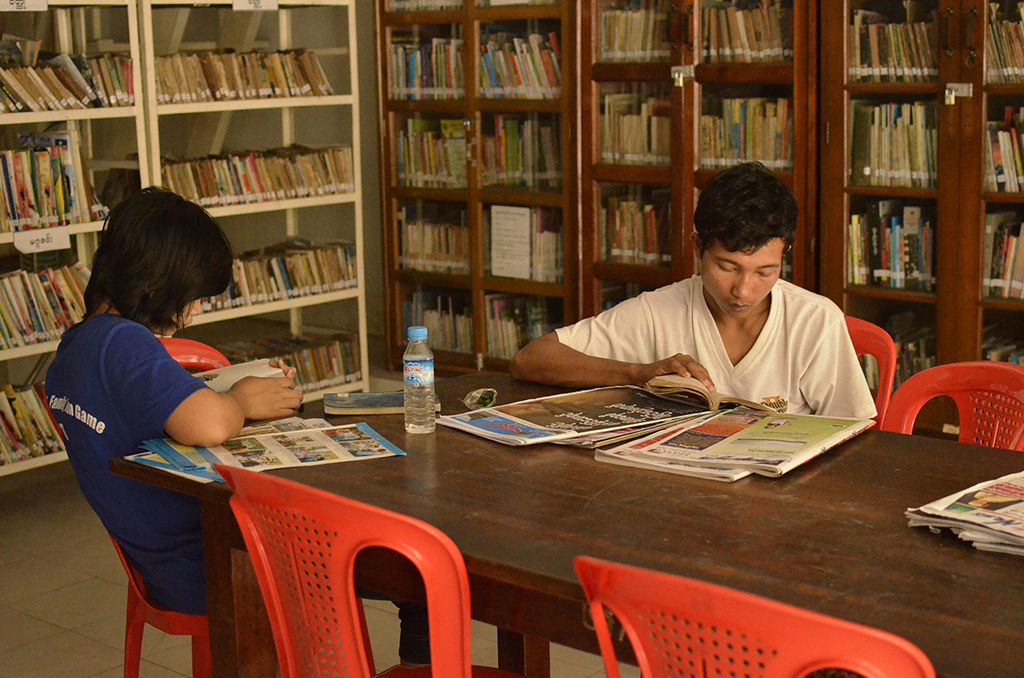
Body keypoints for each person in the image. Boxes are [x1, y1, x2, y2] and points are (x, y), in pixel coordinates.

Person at [44, 189, 430, 664]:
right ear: (156, 286)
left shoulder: (77, 347)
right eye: (192, 298)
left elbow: (147, 405)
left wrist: (225, 392)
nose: (194, 312)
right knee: (409, 559)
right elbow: (208, 424)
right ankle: (419, 667)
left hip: (161, 561)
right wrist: (241, 400)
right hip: (217, 559)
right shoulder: (124, 341)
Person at [510, 162, 876, 420]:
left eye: (766, 271)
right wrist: (637, 372)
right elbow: (530, 359)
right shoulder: (659, 310)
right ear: (697, 246)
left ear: (785, 254)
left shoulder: (814, 321)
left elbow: (854, 432)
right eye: (727, 267)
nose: (743, 291)